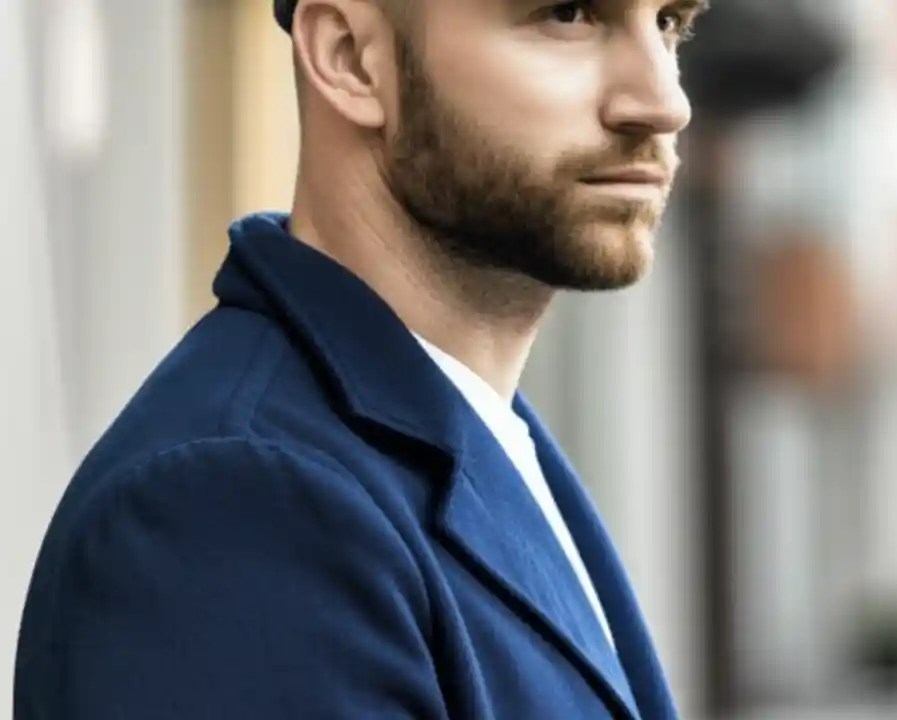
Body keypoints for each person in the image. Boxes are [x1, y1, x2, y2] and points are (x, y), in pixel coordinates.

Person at [15, 0, 704, 717]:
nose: (664, 102)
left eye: (669, 23)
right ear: (348, 57)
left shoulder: (480, 441)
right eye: (567, 14)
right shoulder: (237, 508)